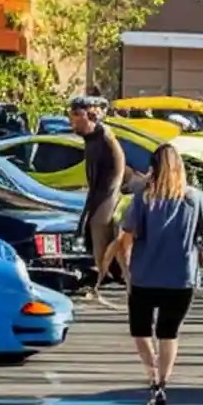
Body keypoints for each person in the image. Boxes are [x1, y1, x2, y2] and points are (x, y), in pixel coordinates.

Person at [118, 144, 203, 405]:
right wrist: (202, 258)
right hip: (181, 277)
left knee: (140, 330)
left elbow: (126, 237)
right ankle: (162, 382)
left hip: (144, 276)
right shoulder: (194, 198)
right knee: (168, 332)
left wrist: (126, 269)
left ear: (154, 167)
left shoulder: (143, 198)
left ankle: (152, 373)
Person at [69, 95, 124, 282]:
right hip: (99, 195)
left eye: (77, 114)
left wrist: (99, 205)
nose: (72, 120)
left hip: (107, 197)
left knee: (98, 227)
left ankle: (105, 274)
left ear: (91, 116)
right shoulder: (92, 139)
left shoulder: (104, 138)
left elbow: (114, 175)